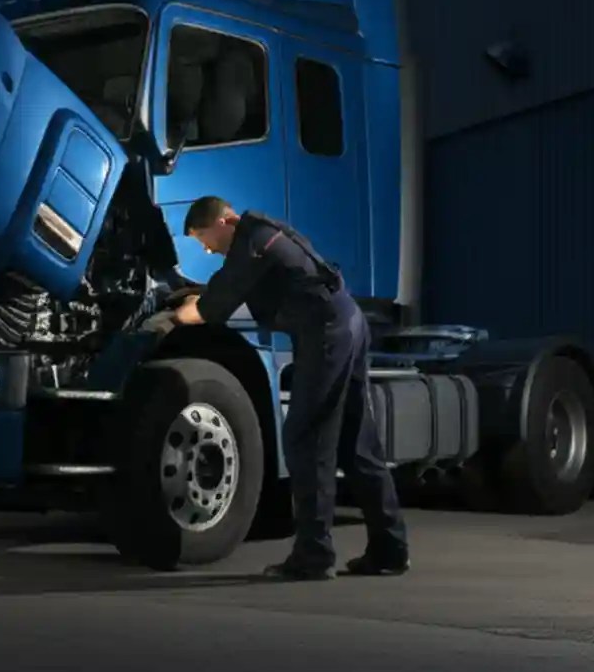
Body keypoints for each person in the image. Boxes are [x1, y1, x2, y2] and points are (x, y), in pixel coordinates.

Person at [146, 196, 410, 580]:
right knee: (356, 444)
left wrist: (170, 319)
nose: (206, 248)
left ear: (226, 221)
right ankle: (390, 549)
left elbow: (213, 306)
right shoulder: (264, 235)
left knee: (306, 439)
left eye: (205, 238)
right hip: (346, 321)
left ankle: (314, 555)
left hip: (326, 333)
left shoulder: (251, 240)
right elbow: (229, 285)